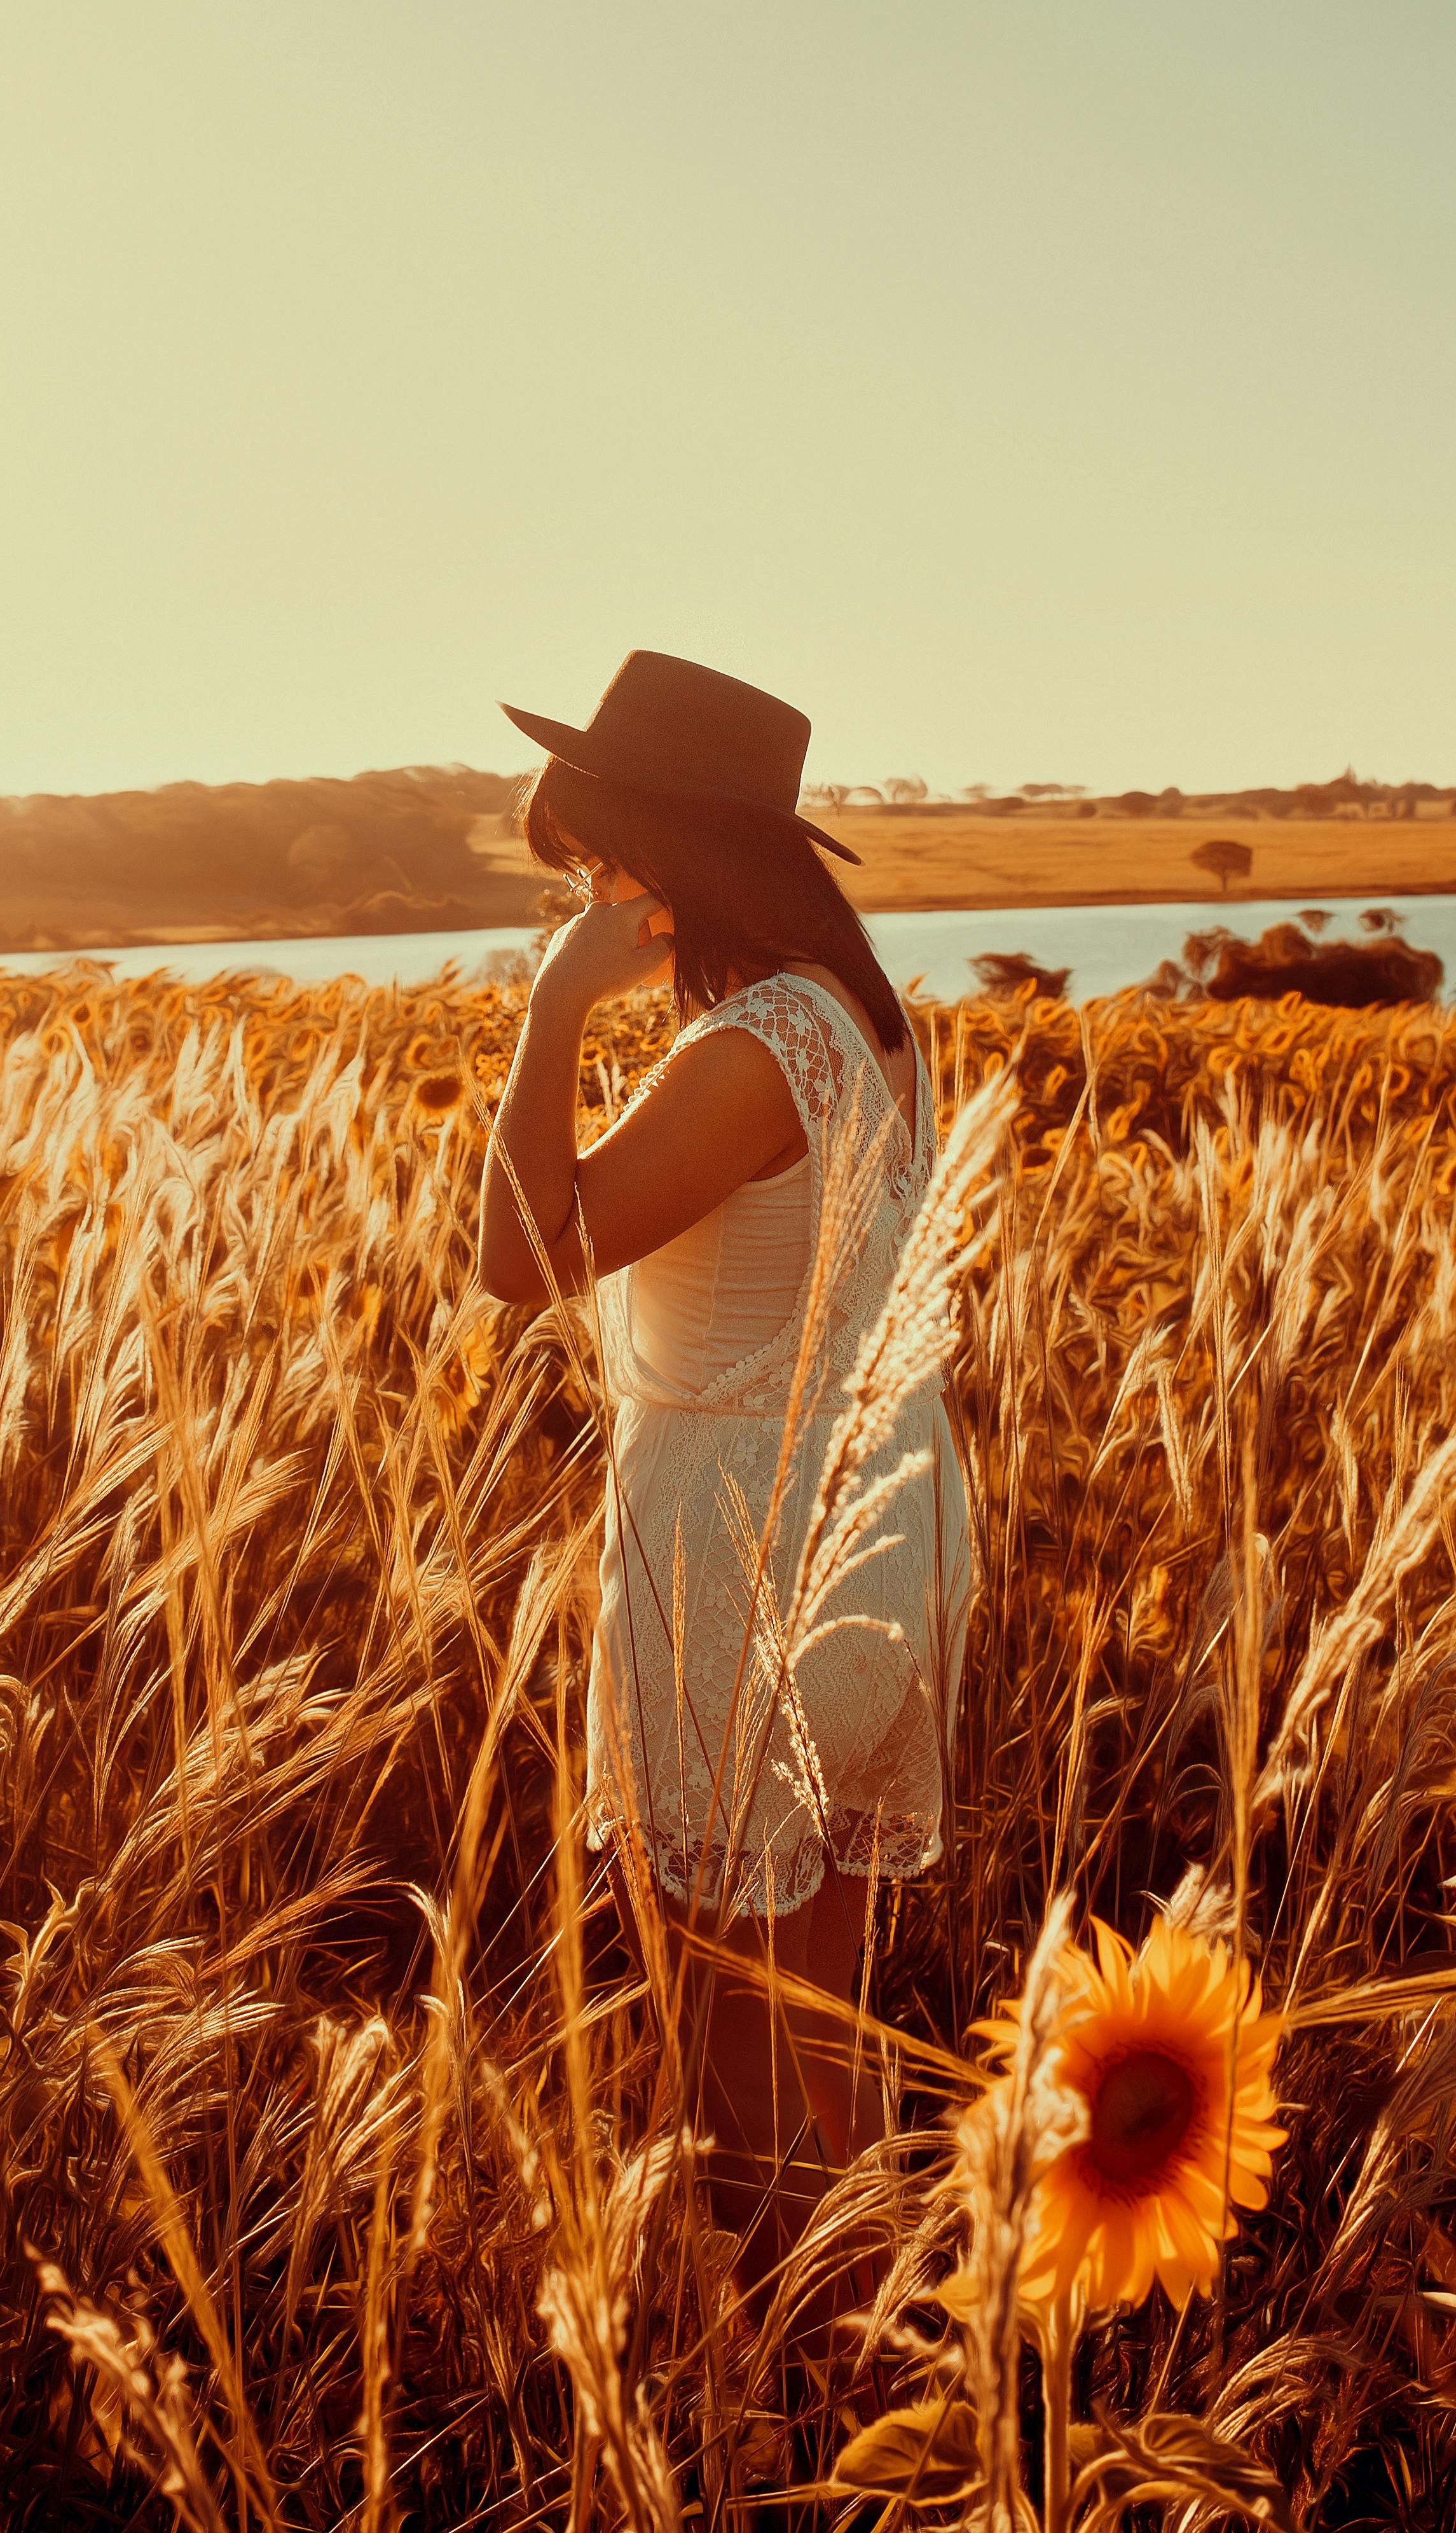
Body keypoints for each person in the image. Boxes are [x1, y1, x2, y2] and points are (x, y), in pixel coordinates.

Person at [475, 649, 975, 2360]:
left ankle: (795, 2405)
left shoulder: (748, 1051)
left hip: (736, 1553)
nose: (587, 897)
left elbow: (516, 1256)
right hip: (869, 1522)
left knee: (729, 2058)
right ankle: (884, 2389)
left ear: (663, 860)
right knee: (818, 2037)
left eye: (595, 864)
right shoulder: (852, 1024)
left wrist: (551, 1011)